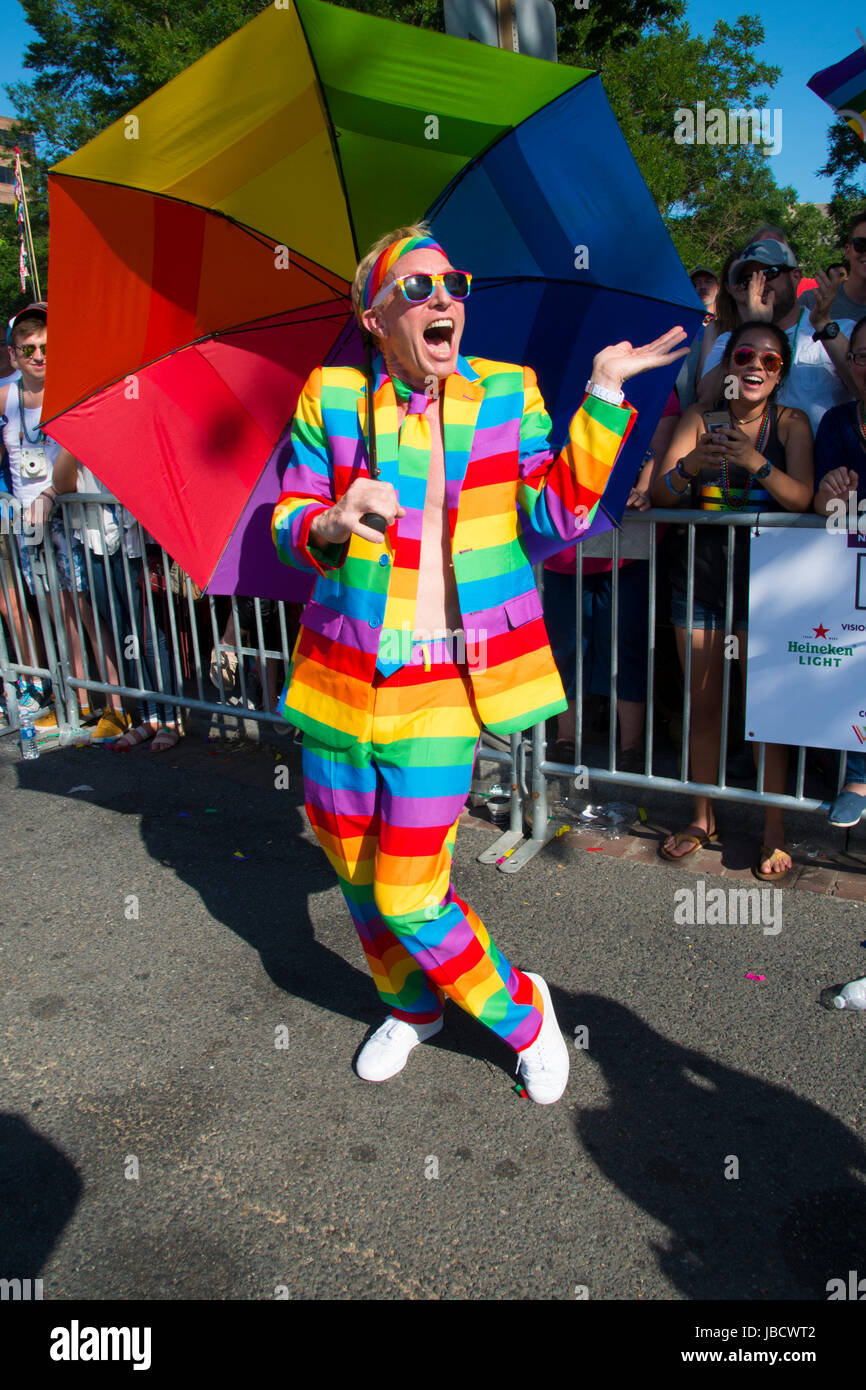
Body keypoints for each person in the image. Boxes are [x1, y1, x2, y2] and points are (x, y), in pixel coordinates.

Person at [271, 223, 687, 1103]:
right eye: (418, 290)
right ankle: (408, 1005)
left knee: (412, 892)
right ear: (374, 316)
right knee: (352, 870)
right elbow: (288, 519)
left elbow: (558, 518)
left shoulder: (507, 392)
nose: (445, 301)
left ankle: (522, 1018)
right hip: (341, 680)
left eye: (454, 284)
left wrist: (605, 399)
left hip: (445, 687)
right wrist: (331, 525)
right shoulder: (331, 396)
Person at [652, 320, 814, 880]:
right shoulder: (699, 420)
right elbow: (659, 493)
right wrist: (691, 466)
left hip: (766, 583)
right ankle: (703, 818)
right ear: (729, 365)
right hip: (698, 578)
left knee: (765, 713)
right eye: (746, 355)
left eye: (770, 361)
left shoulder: (791, 424)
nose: (756, 366)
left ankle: (774, 829)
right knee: (703, 704)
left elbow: (804, 498)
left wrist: (753, 463)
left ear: (780, 373)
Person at [0, 305, 126, 739]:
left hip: (69, 515)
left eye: (46, 349)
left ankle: (114, 706)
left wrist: (53, 494)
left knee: (86, 611)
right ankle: (76, 701)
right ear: (13, 355)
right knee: (57, 613)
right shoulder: (5, 396)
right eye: (29, 349)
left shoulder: (69, 392)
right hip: (27, 522)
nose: (38, 356)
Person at [544, 391, 681, 771]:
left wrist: (645, 488)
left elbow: (663, 444)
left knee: (627, 645)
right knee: (566, 645)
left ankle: (631, 748)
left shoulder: (655, 384)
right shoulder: (565, 372)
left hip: (628, 539)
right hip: (566, 541)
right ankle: (566, 738)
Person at [698, 239, 856, 434]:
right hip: (752, 457)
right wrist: (754, 330)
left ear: (796, 276)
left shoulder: (838, 332)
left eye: (769, 273)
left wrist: (824, 326)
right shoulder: (731, 341)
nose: (759, 284)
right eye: (749, 279)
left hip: (824, 460)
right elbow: (710, 398)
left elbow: (859, 390)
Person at [812, 314, 866, 826]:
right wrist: (831, 495)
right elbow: (822, 503)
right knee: (854, 672)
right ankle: (859, 776)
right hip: (851, 571)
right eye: (863, 355)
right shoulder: (836, 422)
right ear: (851, 364)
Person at [676, 267, 718, 408]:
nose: (703, 287)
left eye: (708, 282)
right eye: (697, 283)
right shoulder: (683, 323)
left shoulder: (728, 323)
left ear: (718, 287)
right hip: (685, 403)